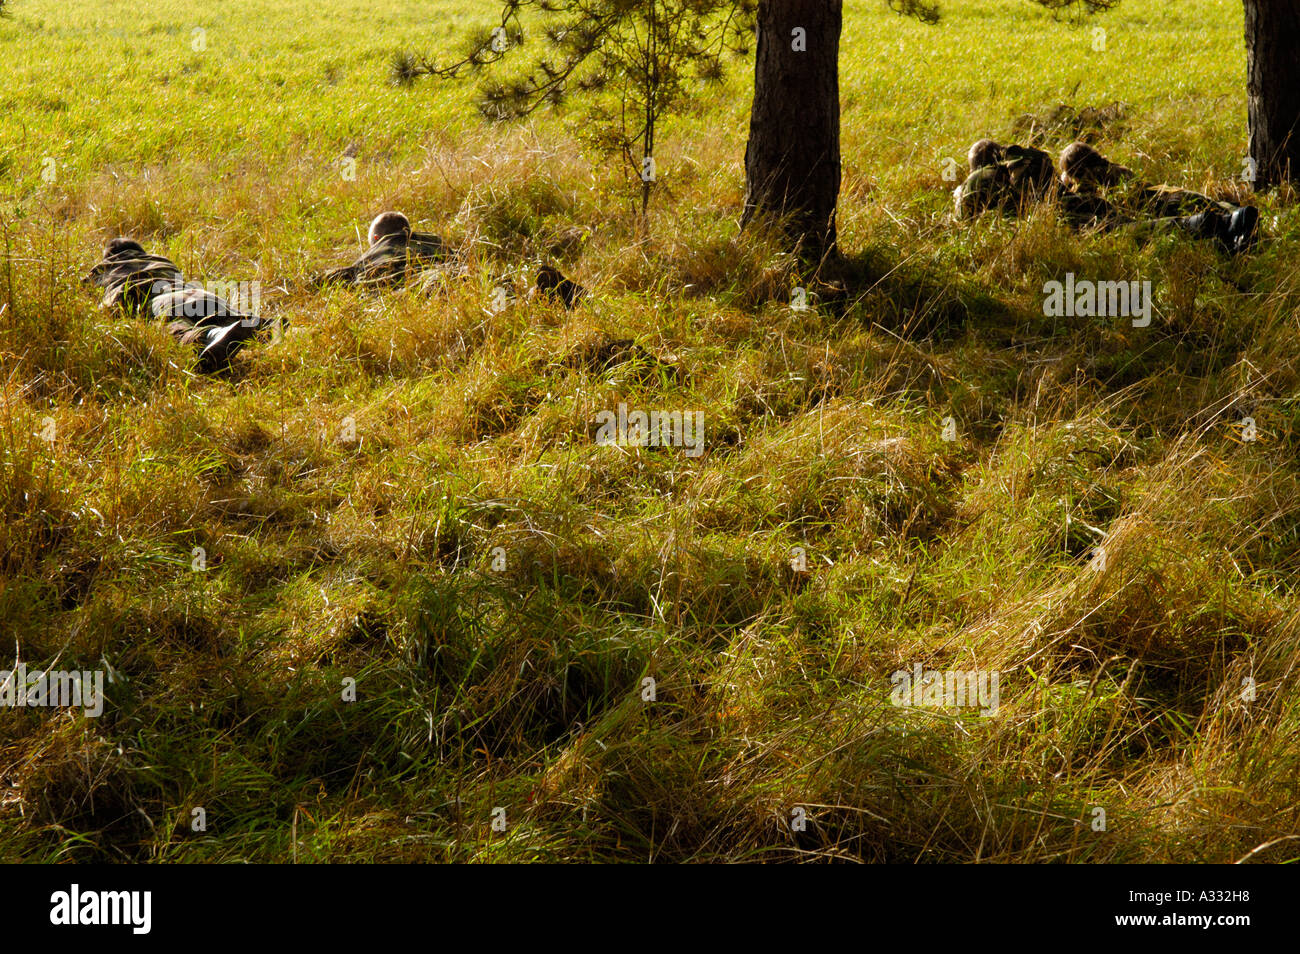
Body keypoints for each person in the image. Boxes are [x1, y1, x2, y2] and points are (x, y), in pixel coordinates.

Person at [85, 238, 264, 370]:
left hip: (159, 301)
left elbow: (80, 294)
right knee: (221, 314)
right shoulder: (161, 260)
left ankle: (211, 336)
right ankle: (256, 326)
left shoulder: (105, 267)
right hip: (196, 292)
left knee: (175, 325)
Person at [316, 211, 447, 286]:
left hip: (402, 283)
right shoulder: (432, 241)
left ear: (377, 238)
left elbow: (342, 274)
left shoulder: (376, 252)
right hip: (443, 275)